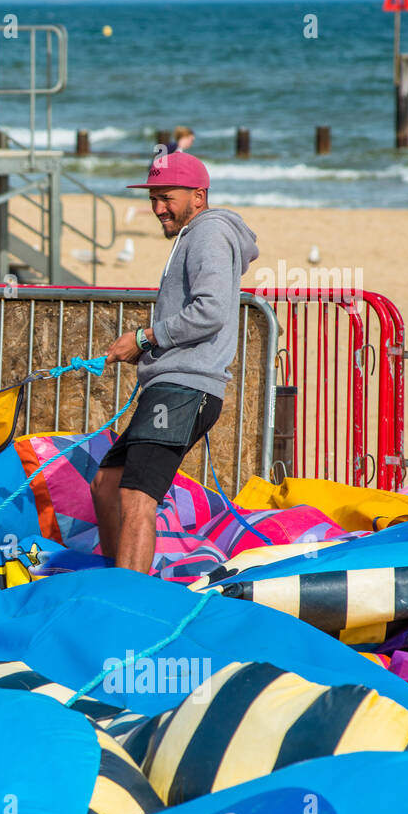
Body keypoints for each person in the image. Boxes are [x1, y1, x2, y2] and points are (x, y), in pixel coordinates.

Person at [93, 151, 258, 574]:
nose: (158, 208)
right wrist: (148, 348)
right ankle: (113, 581)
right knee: (106, 484)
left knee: (136, 495)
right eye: (153, 198)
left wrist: (146, 338)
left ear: (198, 196)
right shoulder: (193, 235)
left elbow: (211, 311)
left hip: (185, 389)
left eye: (166, 197)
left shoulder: (208, 234)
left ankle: (126, 599)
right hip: (169, 385)